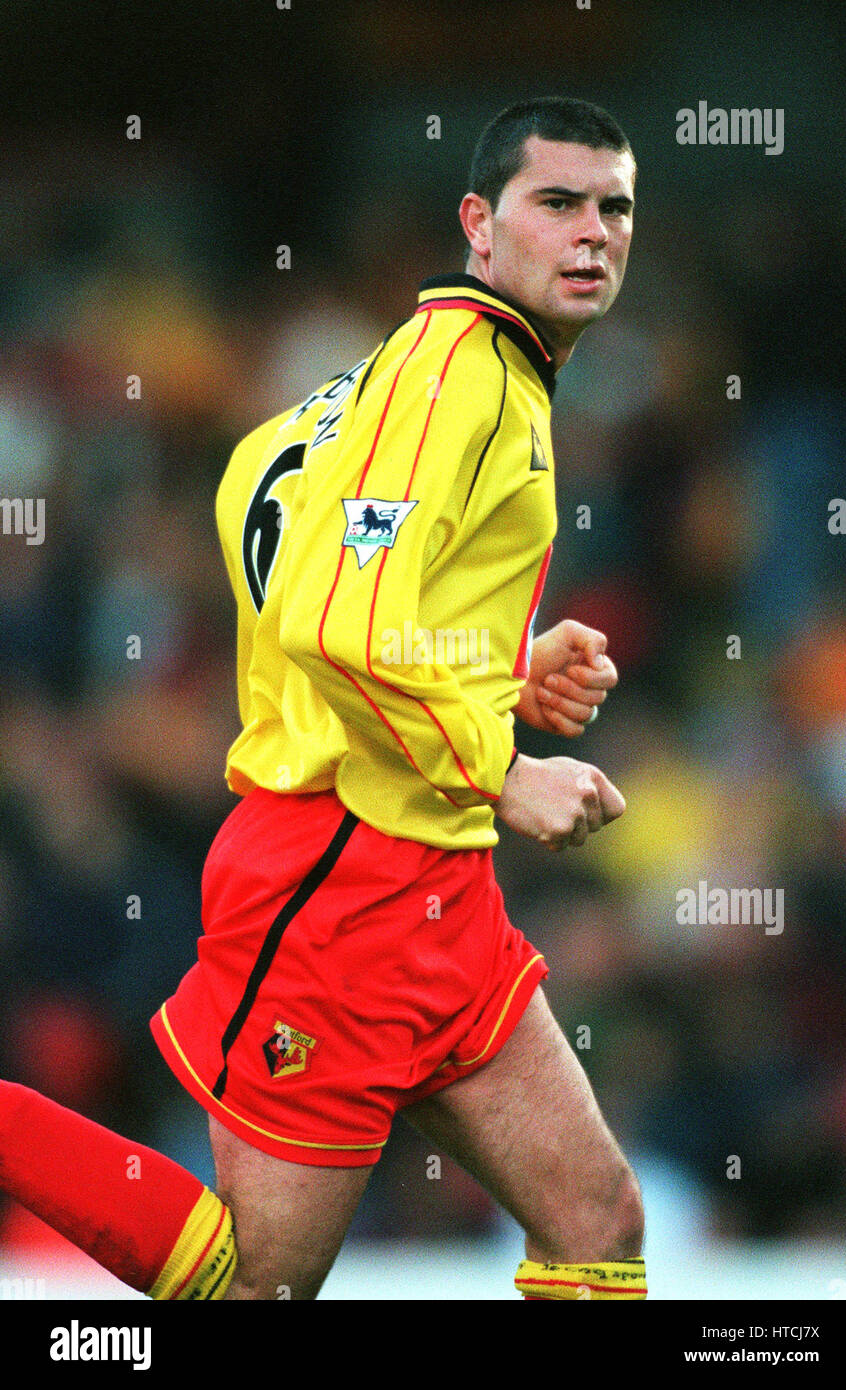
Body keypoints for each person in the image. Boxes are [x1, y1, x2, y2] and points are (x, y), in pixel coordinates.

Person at [0, 96, 645, 1302]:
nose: (591, 233)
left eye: (613, 207)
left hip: (432, 881)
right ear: (478, 221)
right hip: (339, 883)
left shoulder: (390, 377)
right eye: (555, 203)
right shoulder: (462, 377)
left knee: (595, 1219)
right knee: (260, 1285)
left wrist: (490, 665)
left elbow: (277, 532)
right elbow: (331, 622)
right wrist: (502, 766)